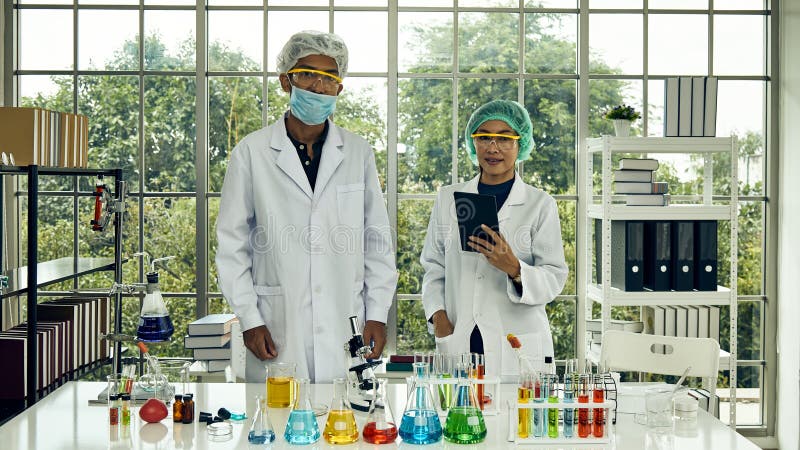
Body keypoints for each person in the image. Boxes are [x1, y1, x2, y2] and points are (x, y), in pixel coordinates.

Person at [215, 30, 397, 383]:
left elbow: (376, 242)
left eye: (329, 78)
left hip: (346, 323)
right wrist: (251, 320)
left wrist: (376, 314)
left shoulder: (358, 153)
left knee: (345, 426)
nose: (318, 86)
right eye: (307, 74)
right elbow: (231, 246)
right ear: (286, 81)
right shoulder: (251, 153)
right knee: (278, 425)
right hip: (276, 325)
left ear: (339, 89)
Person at [420, 99, 568, 380]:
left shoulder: (540, 204)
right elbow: (433, 267)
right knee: (461, 417)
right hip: (460, 335)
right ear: (472, 143)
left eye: (504, 139)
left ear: (520, 144)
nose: (493, 147)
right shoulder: (447, 199)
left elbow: (554, 278)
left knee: (517, 420)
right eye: (484, 137)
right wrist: (439, 320)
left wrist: (513, 267)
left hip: (516, 341)